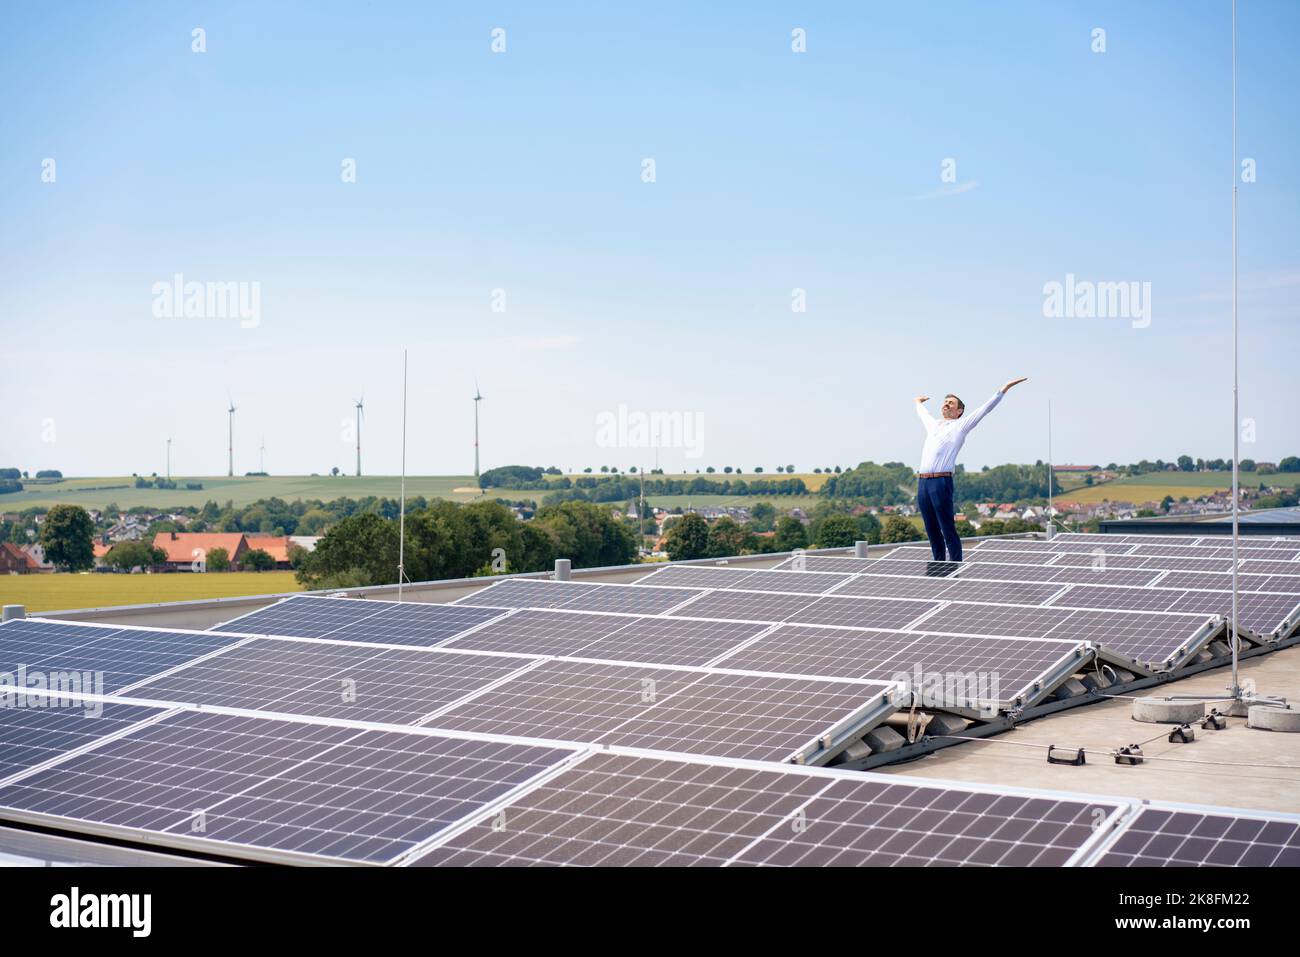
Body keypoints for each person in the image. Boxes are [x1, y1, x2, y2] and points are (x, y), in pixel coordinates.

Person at [913, 378, 1028, 561]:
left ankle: (955, 565)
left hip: (941, 482)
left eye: (951, 403)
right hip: (923, 482)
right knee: (931, 528)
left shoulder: (961, 425)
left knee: (946, 526)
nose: (946, 404)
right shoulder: (933, 425)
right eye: (945, 402)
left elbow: (985, 409)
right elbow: (922, 413)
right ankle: (938, 565)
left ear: (959, 411)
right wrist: (918, 402)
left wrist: (1004, 389)